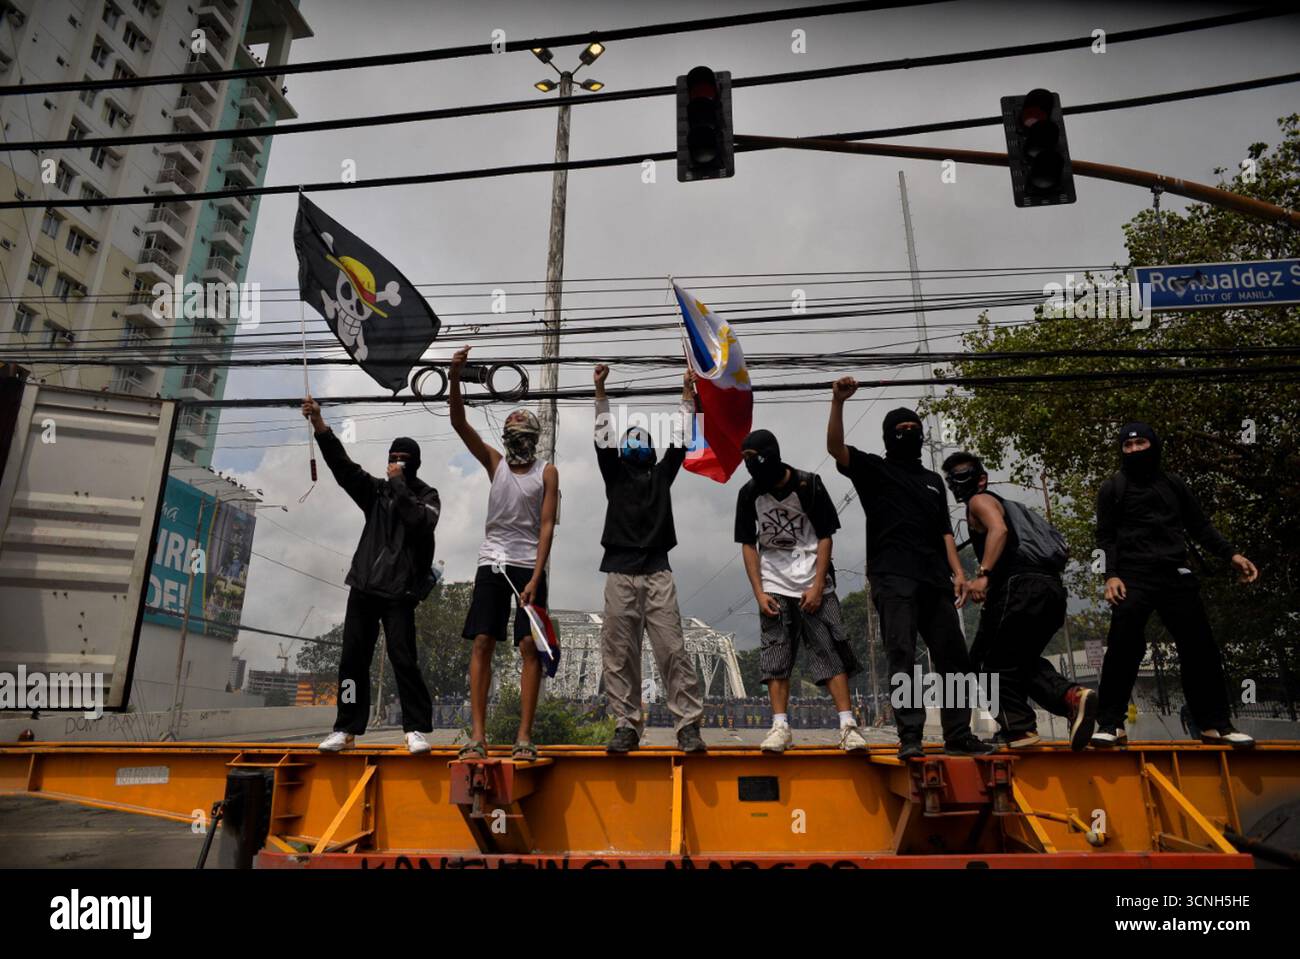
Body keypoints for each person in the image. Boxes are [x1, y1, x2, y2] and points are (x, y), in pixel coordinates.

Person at [827, 379, 993, 759]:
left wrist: (961, 577)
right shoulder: (872, 470)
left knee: (954, 657)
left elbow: (946, 535)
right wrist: (837, 402)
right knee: (901, 654)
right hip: (892, 578)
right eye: (901, 431)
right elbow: (835, 447)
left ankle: (958, 733)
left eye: (914, 430)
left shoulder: (934, 481)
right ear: (889, 436)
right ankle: (911, 735)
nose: (909, 434)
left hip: (936, 580)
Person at [1092, 422, 1258, 749]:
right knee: (1124, 645)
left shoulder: (1173, 485)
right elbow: (1104, 538)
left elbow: (1200, 525)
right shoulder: (1112, 488)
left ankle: (1216, 724)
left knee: (1200, 647)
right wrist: (1109, 576)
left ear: (1153, 445)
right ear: (1121, 451)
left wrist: (1232, 555)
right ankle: (1110, 723)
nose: (1136, 450)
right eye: (1128, 446)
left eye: (1141, 443)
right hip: (1132, 576)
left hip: (1175, 573)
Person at [302, 396, 440, 755]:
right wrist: (319, 423)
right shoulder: (376, 492)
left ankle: (415, 729)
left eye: (402, 460)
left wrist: (398, 485)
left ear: (414, 464)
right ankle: (345, 728)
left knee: (403, 658)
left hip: (400, 593)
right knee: (351, 661)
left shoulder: (428, 496)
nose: (395, 464)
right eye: (392, 458)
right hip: (364, 587)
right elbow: (343, 468)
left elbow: (418, 523)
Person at [941, 451, 1097, 750]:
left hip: (1019, 589)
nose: (957, 483)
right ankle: (1072, 697)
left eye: (963, 475)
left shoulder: (979, 500)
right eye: (952, 479)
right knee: (1017, 662)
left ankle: (1018, 729)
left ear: (981, 478)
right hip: (1050, 592)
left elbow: (998, 530)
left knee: (984, 662)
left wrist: (984, 574)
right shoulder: (1015, 507)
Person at [450, 345, 559, 762]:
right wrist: (456, 375)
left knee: (529, 647)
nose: (520, 445)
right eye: (515, 438)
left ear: (535, 441)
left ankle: (524, 737)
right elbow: (460, 423)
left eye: (526, 439)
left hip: (528, 564)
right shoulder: (494, 463)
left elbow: (547, 525)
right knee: (482, 641)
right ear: (506, 440)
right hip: (491, 562)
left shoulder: (546, 472)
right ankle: (478, 737)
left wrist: (535, 576)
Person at [593, 364, 707, 753]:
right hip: (620, 573)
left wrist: (686, 394)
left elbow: (681, 437)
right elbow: (603, 439)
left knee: (672, 650)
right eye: (631, 439)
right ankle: (626, 725)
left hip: (658, 572)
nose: (636, 443)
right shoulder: (614, 476)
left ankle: (687, 726)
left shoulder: (662, 475)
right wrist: (600, 392)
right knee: (619, 654)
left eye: (642, 438)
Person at [735, 428, 868, 754]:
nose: (750, 468)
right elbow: (748, 545)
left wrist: (819, 585)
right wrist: (758, 592)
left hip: (813, 583)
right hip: (774, 586)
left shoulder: (809, 484)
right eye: (745, 462)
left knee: (829, 650)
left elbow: (825, 536)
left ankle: (848, 726)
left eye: (754, 460)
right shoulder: (749, 493)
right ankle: (780, 727)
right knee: (776, 655)